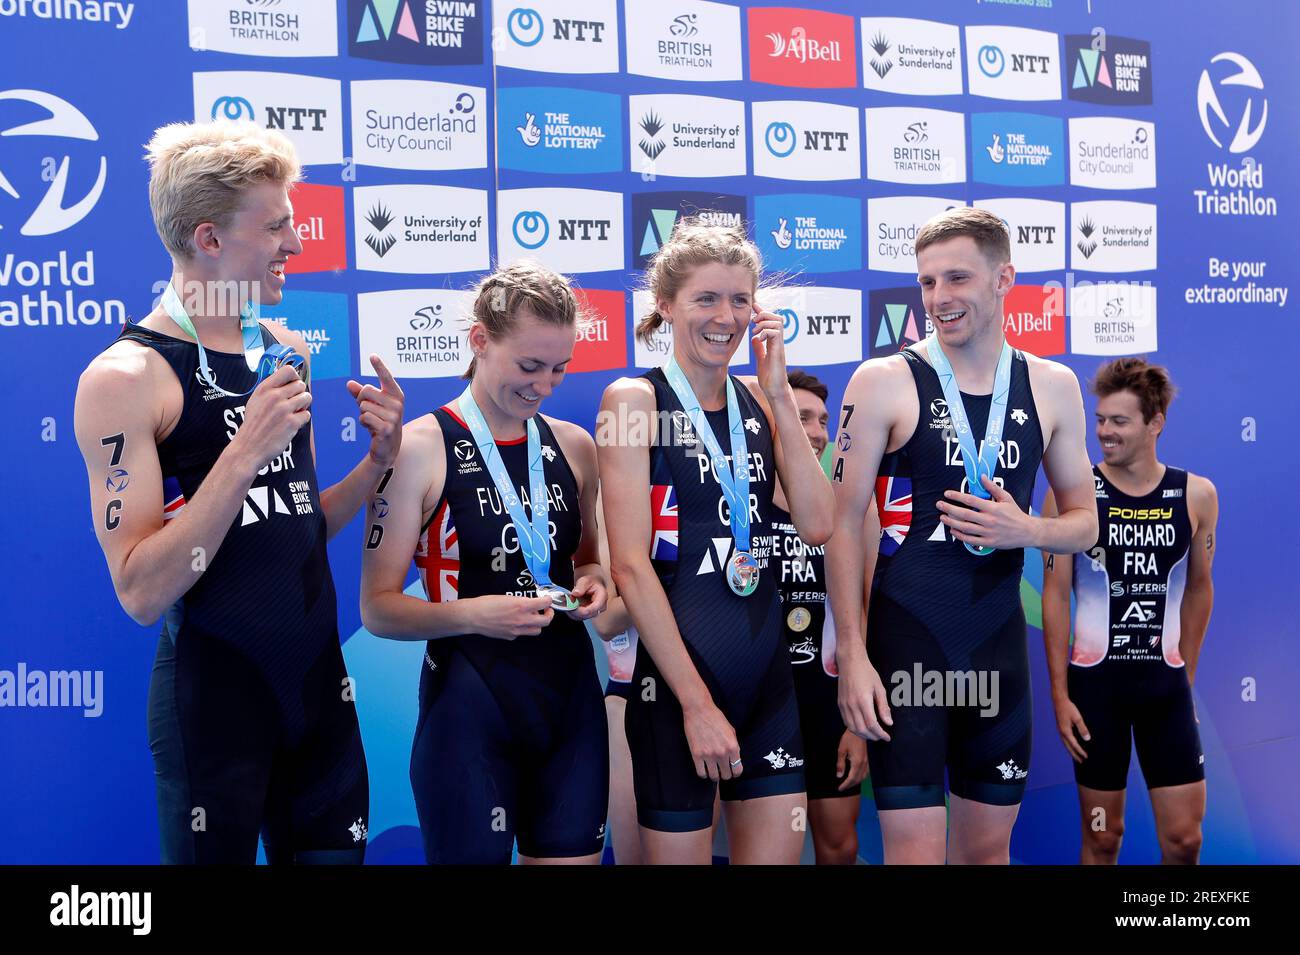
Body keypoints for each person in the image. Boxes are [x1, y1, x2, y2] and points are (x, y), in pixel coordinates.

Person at [73, 121, 404, 864]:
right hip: (216, 705)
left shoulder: (285, 351)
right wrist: (245, 449)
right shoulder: (126, 378)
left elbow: (299, 523)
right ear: (210, 240)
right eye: (278, 224)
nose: (295, 242)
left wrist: (379, 462)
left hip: (319, 693)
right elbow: (139, 590)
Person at [828, 206, 1097, 864]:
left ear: (1003, 277)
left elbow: (1086, 523)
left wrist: (1027, 528)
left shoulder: (1053, 385)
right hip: (905, 652)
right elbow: (837, 524)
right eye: (926, 283)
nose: (938, 299)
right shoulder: (883, 380)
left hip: (996, 656)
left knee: (986, 853)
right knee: (915, 856)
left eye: (956, 279)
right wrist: (854, 655)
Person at [598, 218, 835, 865]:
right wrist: (697, 705)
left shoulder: (762, 400)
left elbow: (818, 523)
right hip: (677, 691)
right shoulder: (632, 400)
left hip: (768, 686)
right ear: (668, 305)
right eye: (706, 298)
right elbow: (630, 566)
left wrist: (781, 390)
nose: (725, 316)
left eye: (739, 299)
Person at [359, 262, 609, 865]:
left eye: (559, 368)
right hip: (470, 707)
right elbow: (378, 609)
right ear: (479, 341)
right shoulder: (419, 448)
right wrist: (475, 615)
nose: (544, 385)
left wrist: (595, 585)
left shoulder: (574, 446)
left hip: (571, 701)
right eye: (529, 366)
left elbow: (592, 563)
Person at [1041, 358, 1217, 865]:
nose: (1104, 432)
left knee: (1185, 841)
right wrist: (1059, 694)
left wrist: (1186, 670)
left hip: (1166, 694)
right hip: (1097, 696)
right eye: (1100, 420)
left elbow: (1201, 589)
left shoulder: (1196, 496)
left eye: (1118, 421)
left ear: (1154, 423)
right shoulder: (1071, 497)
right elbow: (1054, 595)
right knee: (1102, 838)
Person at [776, 369, 873, 865]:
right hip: (756, 703)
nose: (816, 432)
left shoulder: (850, 506)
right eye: (801, 417)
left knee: (839, 846)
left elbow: (869, 607)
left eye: (822, 420)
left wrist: (857, 723)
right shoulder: (733, 504)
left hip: (828, 702)